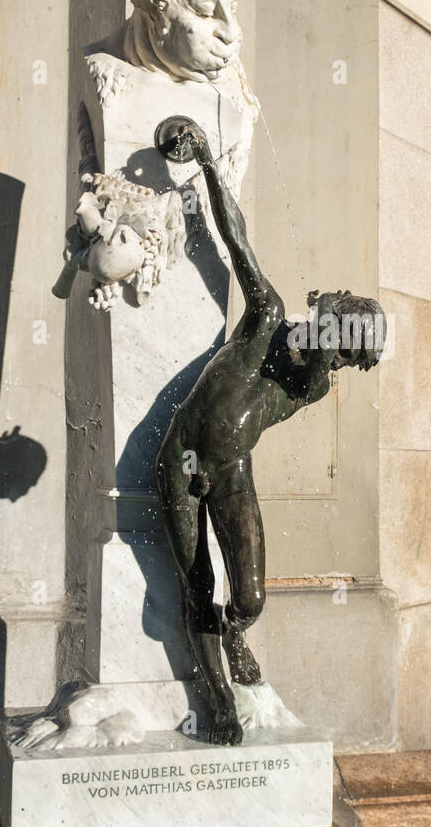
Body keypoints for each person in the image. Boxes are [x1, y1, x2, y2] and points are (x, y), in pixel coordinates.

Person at [156, 127, 386, 744]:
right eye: (337, 350)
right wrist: (206, 162)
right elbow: (237, 243)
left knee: (251, 598)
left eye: (341, 360)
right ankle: (219, 704)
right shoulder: (264, 320)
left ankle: (236, 633)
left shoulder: (310, 388)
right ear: (324, 323)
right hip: (181, 461)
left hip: (233, 475)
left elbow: (310, 370)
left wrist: (326, 360)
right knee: (199, 585)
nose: (331, 364)